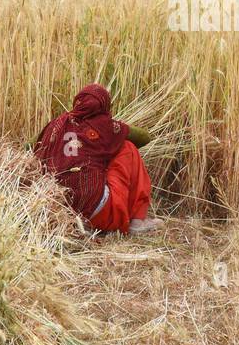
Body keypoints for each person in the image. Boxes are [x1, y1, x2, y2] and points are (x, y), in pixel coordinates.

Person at [34, 83, 159, 235]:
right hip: (97, 211)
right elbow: (145, 137)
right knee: (127, 147)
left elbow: (31, 146)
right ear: (103, 106)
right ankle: (138, 221)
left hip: (59, 210)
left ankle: (81, 223)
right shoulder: (105, 126)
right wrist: (110, 137)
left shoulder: (55, 124)